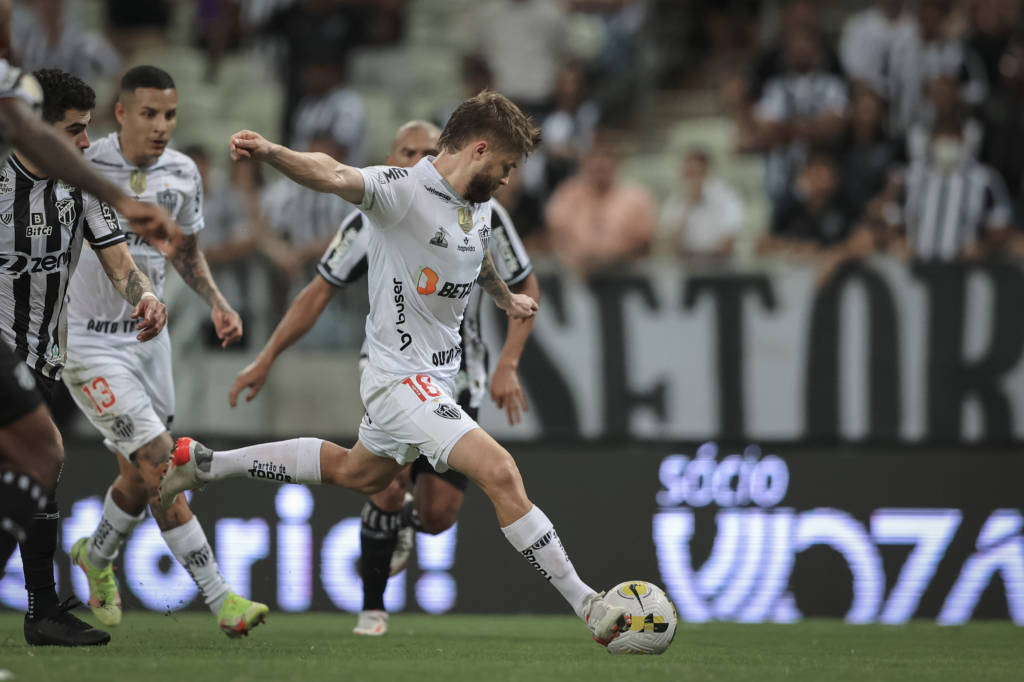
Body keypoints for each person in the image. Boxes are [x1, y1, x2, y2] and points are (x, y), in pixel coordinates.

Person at [162, 91, 629, 646]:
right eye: (505, 166)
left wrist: (504, 298)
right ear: (479, 150)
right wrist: (269, 151)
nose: (507, 179)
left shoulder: (476, 205)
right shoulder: (401, 191)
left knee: (356, 473)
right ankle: (589, 605)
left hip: (436, 379)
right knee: (500, 471)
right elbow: (331, 173)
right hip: (399, 379)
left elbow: (476, 257)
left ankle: (204, 465)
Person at [227, 119, 541, 636]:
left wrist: (508, 362)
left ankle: (406, 523)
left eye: (425, 148)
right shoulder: (375, 211)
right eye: (406, 150)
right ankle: (372, 610)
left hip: (460, 378)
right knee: (385, 481)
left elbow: (519, 278)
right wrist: (265, 358)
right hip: (395, 372)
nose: (416, 157)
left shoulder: (485, 207)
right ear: (394, 156)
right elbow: (318, 291)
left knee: (440, 516)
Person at [60, 66, 267, 638]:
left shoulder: (182, 173)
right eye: (149, 114)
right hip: (87, 341)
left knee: (137, 474)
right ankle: (223, 600)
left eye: (170, 115)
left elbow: (188, 253)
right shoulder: (84, 165)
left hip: (149, 342)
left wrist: (218, 302)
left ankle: (94, 557)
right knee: (160, 461)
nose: (161, 126)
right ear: (121, 113)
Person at [1, 68, 170, 647]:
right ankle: (42, 610)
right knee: (40, 463)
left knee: (38, 478)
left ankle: (42, 613)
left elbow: (119, 261)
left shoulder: (82, 186)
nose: (82, 142)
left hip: (45, 359)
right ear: (33, 130)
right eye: (72, 130)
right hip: (3, 358)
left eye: (85, 130)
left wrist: (144, 297)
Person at [544, 130, 655, 278]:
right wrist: (575, 259)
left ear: (618, 160)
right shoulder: (567, 194)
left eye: (608, 155)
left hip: (624, 278)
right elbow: (554, 235)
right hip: (574, 277)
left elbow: (644, 243)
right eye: (595, 155)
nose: (601, 162)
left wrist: (608, 260)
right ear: (584, 160)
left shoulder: (636, 197)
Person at [658, 147, 745, 259]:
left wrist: (700, 258)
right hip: (685, 266)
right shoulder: (675, 202)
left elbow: (729, 243)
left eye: (694, 173)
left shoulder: (727, 198)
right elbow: (668, 246)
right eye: (686, 174)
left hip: (720, 267)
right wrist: (687, 208)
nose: (690, 180)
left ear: (706, 172)